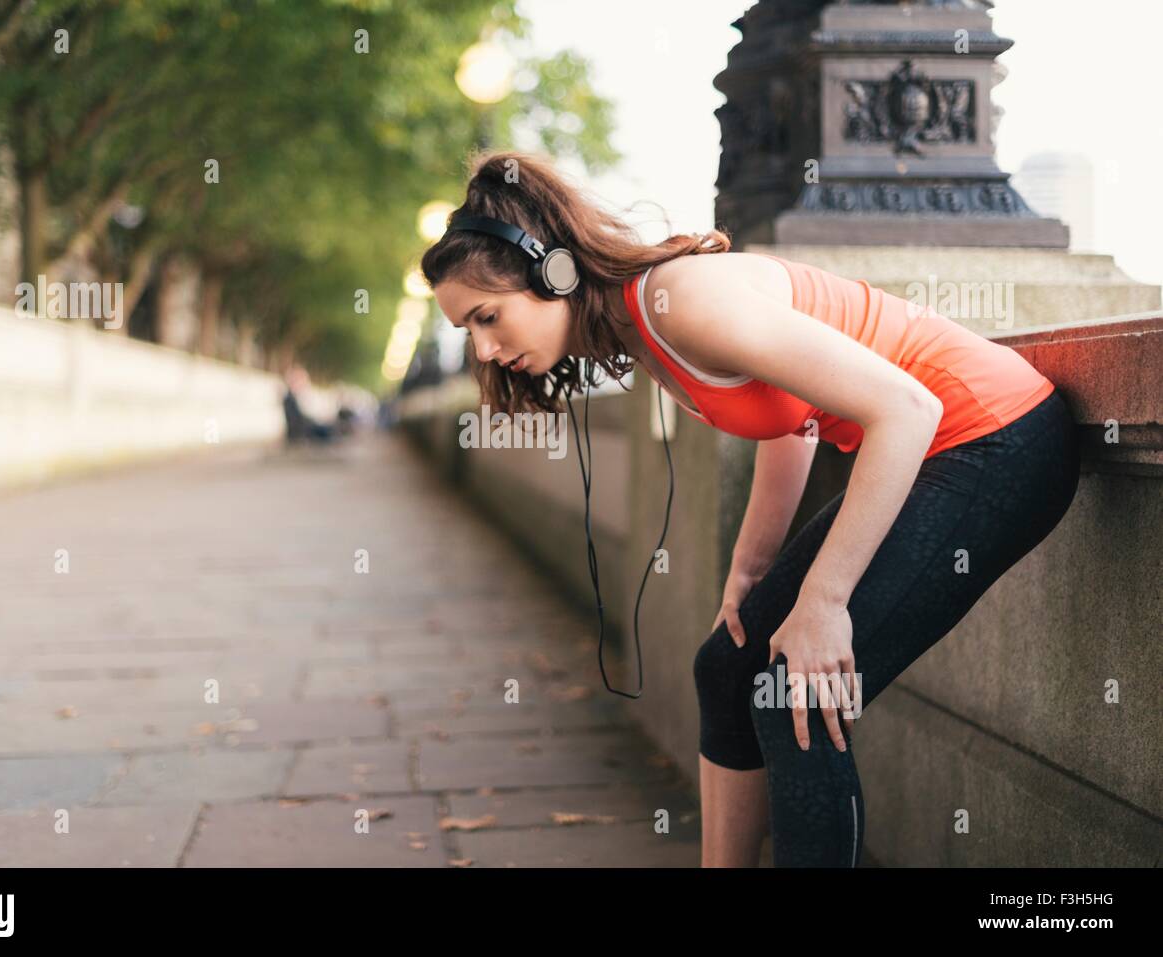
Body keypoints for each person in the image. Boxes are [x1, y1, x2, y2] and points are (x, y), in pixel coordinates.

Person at [420, 149, 1081, 868]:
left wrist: (824, 601)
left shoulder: (682, 304)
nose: (485, 348)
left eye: (488, 317)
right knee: (729, 665)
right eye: (467, 333)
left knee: (789, 693)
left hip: (996, 443)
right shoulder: (643, 325)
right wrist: (748, 572)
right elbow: (794, 417)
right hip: (941, 452)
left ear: (554, 273)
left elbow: (907, 406)